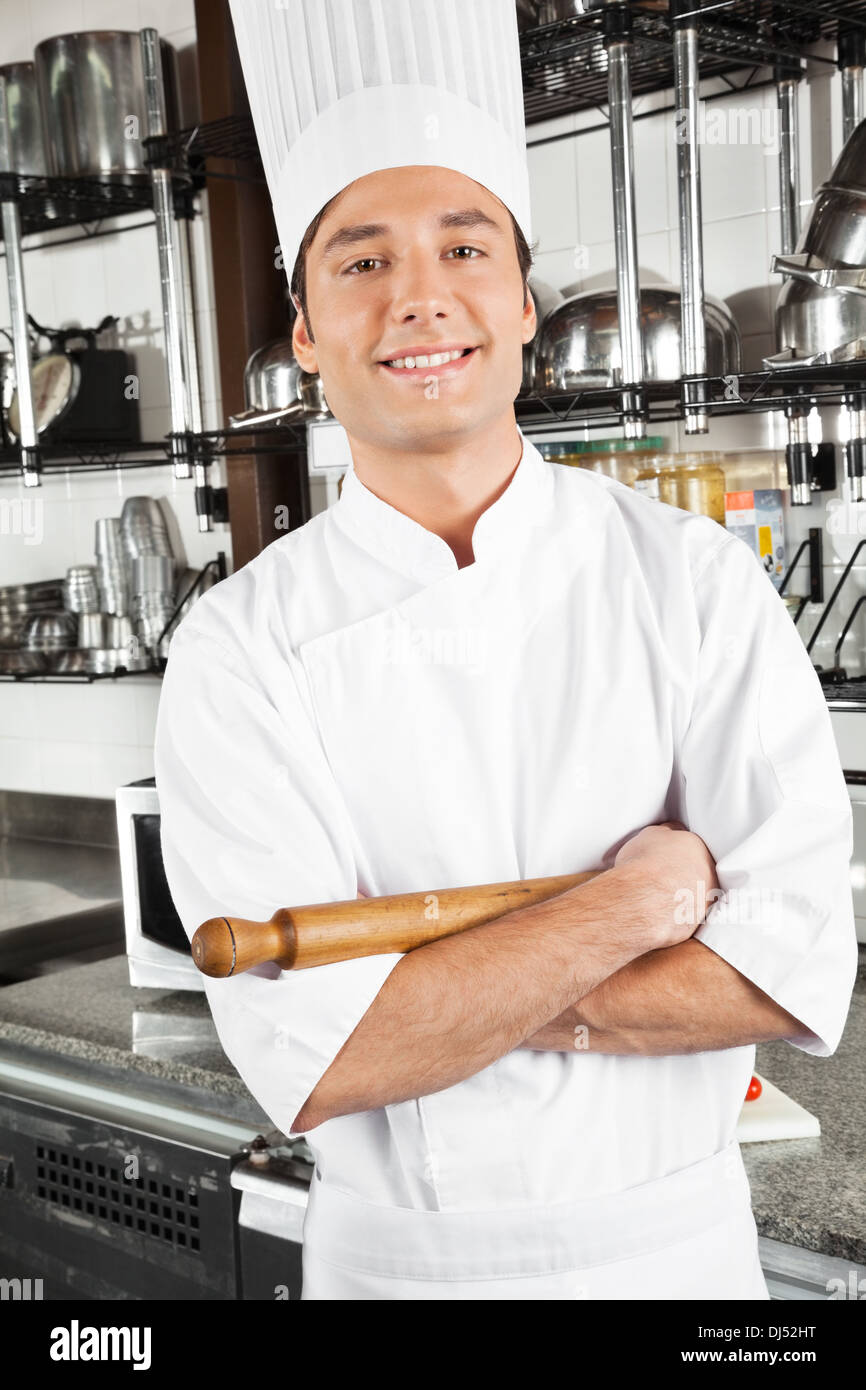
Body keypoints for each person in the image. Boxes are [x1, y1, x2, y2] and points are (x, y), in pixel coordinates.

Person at [153, 0, 857, 1300]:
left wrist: (432, 1004)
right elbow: (321, 1056)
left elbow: (787, 960)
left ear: (523, 304)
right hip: (397, 1270)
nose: (419, 296)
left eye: (462, 246)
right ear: (306, 337)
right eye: (359, 263)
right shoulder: (239, 650)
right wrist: (633, 906)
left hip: (681, 1266)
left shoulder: (691, 577)